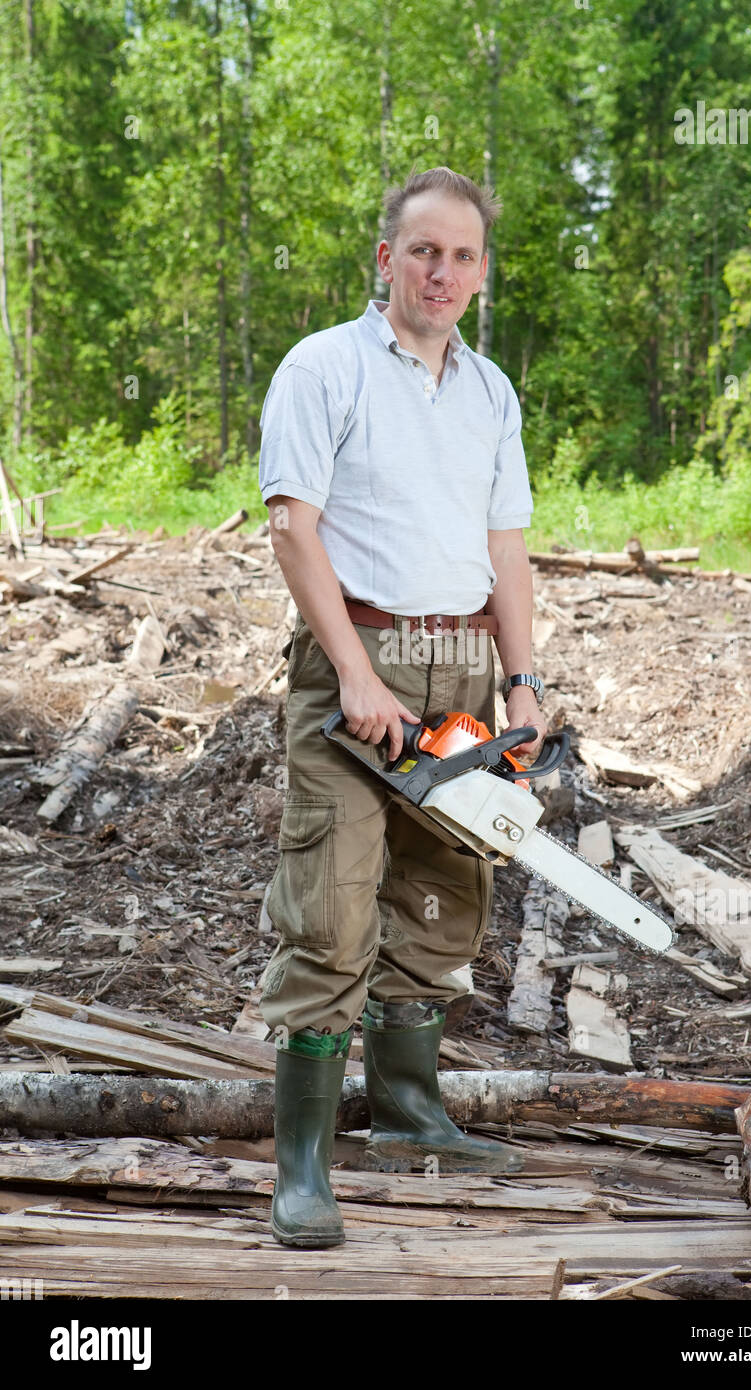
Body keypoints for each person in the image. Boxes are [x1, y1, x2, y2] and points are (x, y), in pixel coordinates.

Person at [257, 166, 548, 1248]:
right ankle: (302, 1164)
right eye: (423, 250)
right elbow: (294, 527)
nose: (442, 272)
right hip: (358, 669)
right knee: (331, 910)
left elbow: (504, 545)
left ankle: (410, 1110)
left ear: (479, 272)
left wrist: (520, 679)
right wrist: (357, 674)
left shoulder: (489, 390)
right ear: (385, 258)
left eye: (462, 255)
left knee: (441, 898)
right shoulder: (323, 367)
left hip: (464, 669)